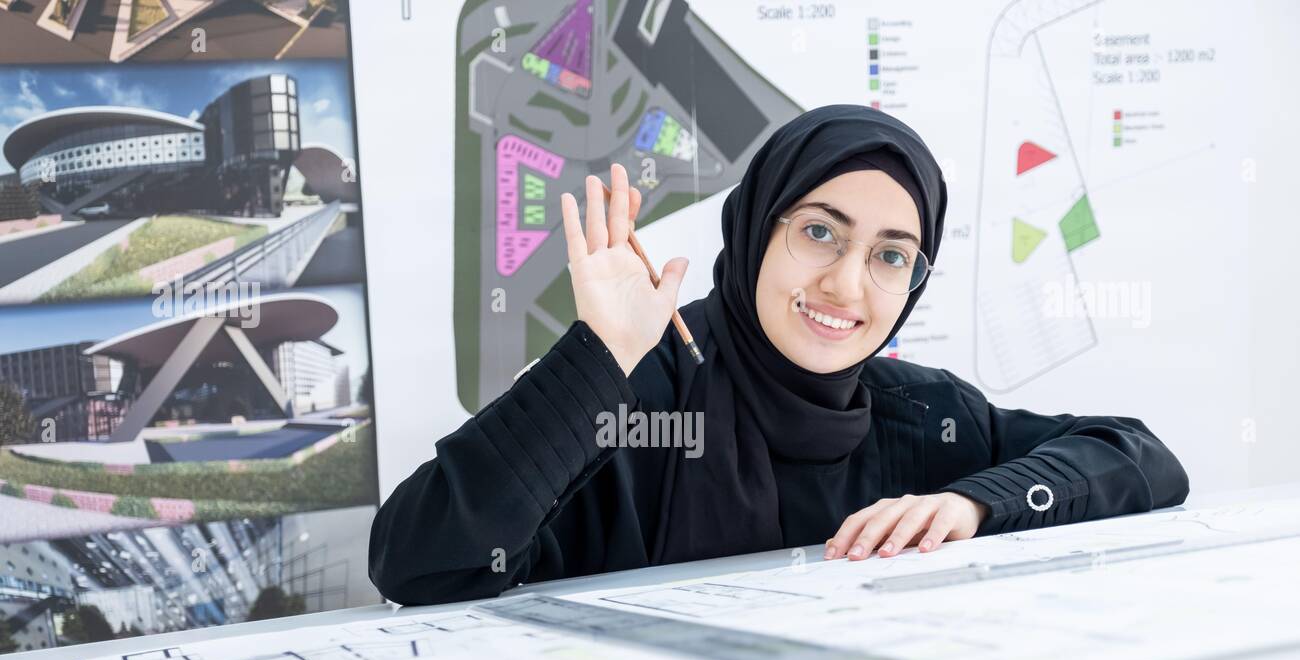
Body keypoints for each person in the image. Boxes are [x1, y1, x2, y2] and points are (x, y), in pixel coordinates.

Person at [369, 104, 1189, 606]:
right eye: (820, 232)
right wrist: (601, 355)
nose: (846, 285)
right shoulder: (629, 398)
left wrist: (977, 505)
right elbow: (415, 564)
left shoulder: (925, 417)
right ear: (758, 228)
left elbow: (1143, 457)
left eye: (891, 255)